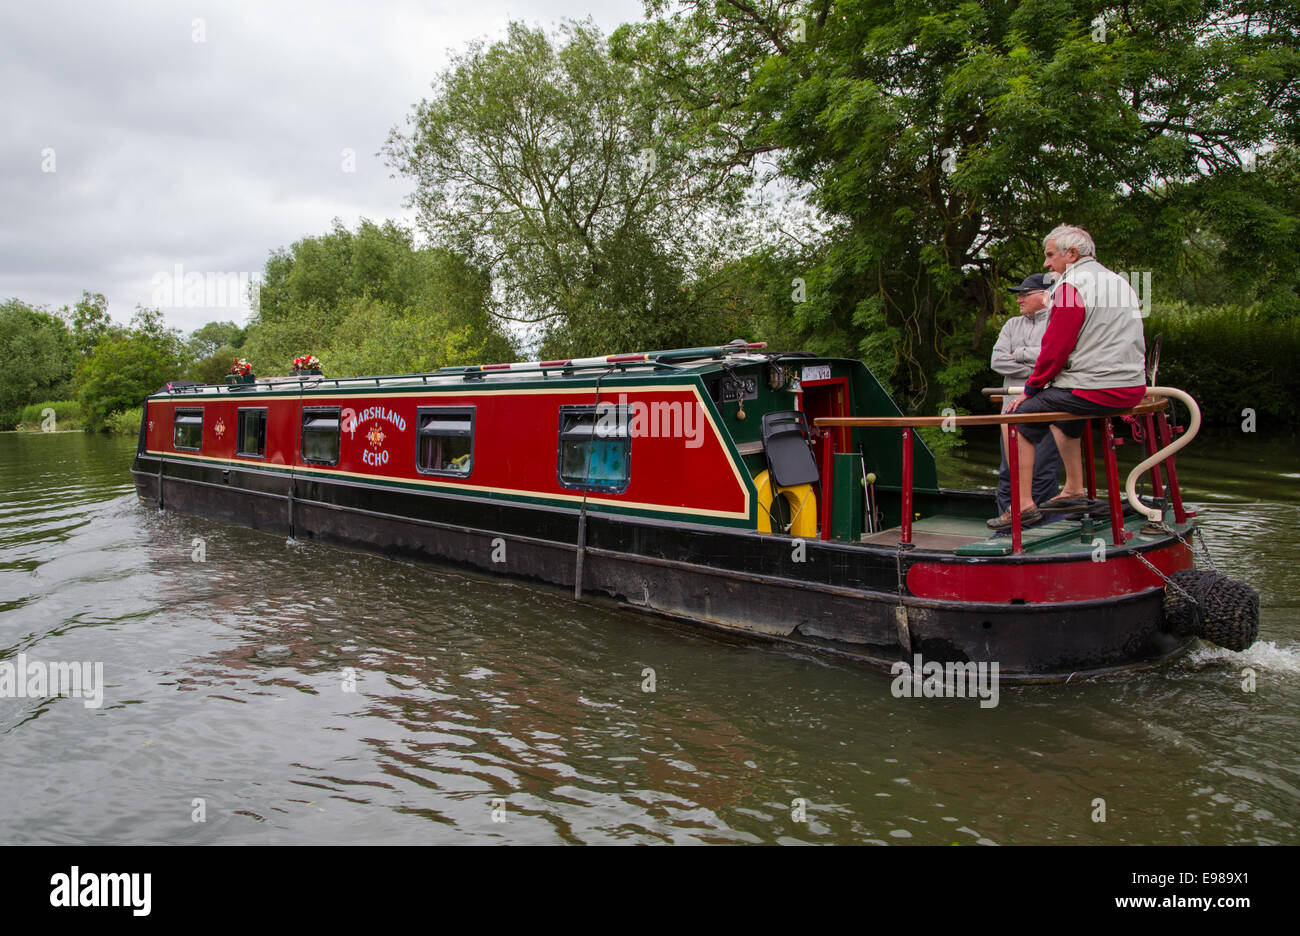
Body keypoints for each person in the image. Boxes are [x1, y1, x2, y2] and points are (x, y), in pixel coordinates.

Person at [990, 224, 1147, 530]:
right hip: (1131, 386)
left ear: (1072, 254)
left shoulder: (1071, 286)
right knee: (1064, 413)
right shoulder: (1119, 282)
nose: (1047, 264)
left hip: (1095, 388)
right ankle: (1074, 489)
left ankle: (1021, 506)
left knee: (1015, 416)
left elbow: (1056, 346)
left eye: (1050, 256)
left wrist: (1031, 389)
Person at [991, 272, 1061, 515]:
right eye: (1018, 295)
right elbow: (997, 361)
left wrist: (1019, 354)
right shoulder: (1011, 324)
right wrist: (1040, 366)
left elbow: (1059, 361)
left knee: (1043, 472)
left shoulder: (1059, 322)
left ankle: (1038, 532)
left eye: (1025, 294)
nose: (1019, 299)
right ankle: (1005, 528)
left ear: (1046, 296)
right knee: (1008, 474)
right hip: (1011, 412)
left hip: (1045, 413)